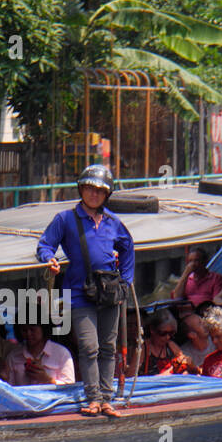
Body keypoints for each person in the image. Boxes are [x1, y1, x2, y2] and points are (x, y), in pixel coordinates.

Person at [36, 163, 135, 417]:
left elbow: (128, 248)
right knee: (89, 346)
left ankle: (106, 399)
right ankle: (93, 398)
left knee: (108, 347)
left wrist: (126, 280)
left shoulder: (113, 222)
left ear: (106, 195)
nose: (93, 194)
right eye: (89, 189)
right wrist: (50, 259)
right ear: (81, 190)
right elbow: (45, 244)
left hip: (110, 292)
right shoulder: (66, 219)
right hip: (79, 292)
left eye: (99, 191)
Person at [1, 322, 76, 386]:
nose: (28, 334)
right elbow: (10, 390)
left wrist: (47, 380)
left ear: (43, 328)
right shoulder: (13, 357)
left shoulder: (61, 353)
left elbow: (70, 388)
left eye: (32, 330)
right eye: (24, 330)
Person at [134, 310, 197, 376]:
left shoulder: (171, 346)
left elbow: (187, 364)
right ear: (152, 330)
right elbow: (131, 376)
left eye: (171, 333)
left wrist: (188, 363)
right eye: (163, 333)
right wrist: (169, 372)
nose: (167, 337)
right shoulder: (143, 348)